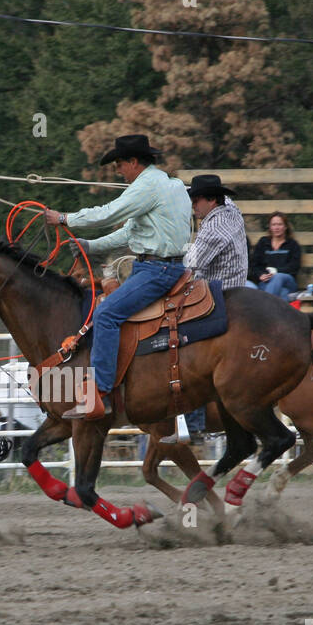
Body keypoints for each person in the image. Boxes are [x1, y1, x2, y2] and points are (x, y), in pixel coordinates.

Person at [43, 134, 191, 420]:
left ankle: (101, 390)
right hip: (166, 267)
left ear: (134, 162)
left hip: (155, 270)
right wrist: (91, 245)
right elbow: (129, 232)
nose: (118, 171)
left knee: (107, 313)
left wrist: (65, 219)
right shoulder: (170, 185)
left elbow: (110, 214)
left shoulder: (147, 186)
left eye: (120, 164)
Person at [159, 174, 248, 443]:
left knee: (182, 345)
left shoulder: (213, 230)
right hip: (232, 291)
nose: (192, 206)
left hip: (217, 297)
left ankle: (193, 424)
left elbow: (189, 266)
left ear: (211, 199)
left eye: (196, 200)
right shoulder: (230, 209)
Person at [248, 212, 302, 299]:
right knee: (283, 293)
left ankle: (265, 309)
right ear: (270, 227)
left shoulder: (292, 244)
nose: (276, 228)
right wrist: (260, 275)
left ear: (285, 227)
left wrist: (275, 272)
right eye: (273, 225)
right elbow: (254, 264)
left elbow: (294, 267)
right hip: (266, 282)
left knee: (278, 277)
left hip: (288, 281)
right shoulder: (263, 242)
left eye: (280, 224)